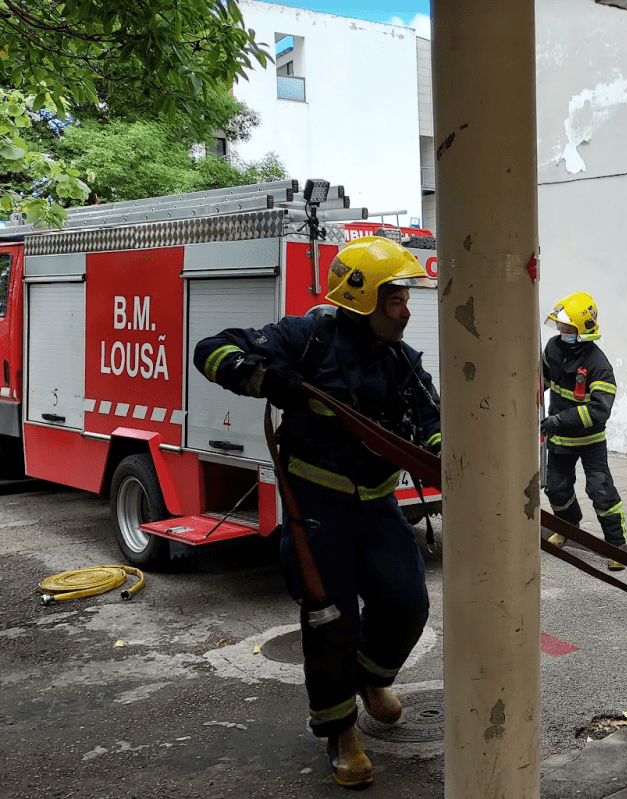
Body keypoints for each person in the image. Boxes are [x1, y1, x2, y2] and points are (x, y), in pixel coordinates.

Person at [194, 237, 441, 788]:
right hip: (317, 508)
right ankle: (340, 733)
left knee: (406, 603)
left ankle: (372, 679)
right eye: (394, 297)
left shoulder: (402, 359)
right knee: (330, 622)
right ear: (361, 299)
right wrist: (265, 378)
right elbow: (210, 349)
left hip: (377, 505)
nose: (406, 309)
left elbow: (431, 419)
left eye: (404, 297)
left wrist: (444, 452)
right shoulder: (303, 340)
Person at [541, 292, 627, 571]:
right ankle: (568, 528)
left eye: (566, 328)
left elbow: (599, 409)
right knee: (556, 488)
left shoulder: (598, 365)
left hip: (590, 442)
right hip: (559, 440)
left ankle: (616, 547)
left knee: (600, 491)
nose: (560, 331)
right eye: (559, 326)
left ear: (581, 331)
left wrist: (559, 420)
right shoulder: (553, 348)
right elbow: (540, 380)